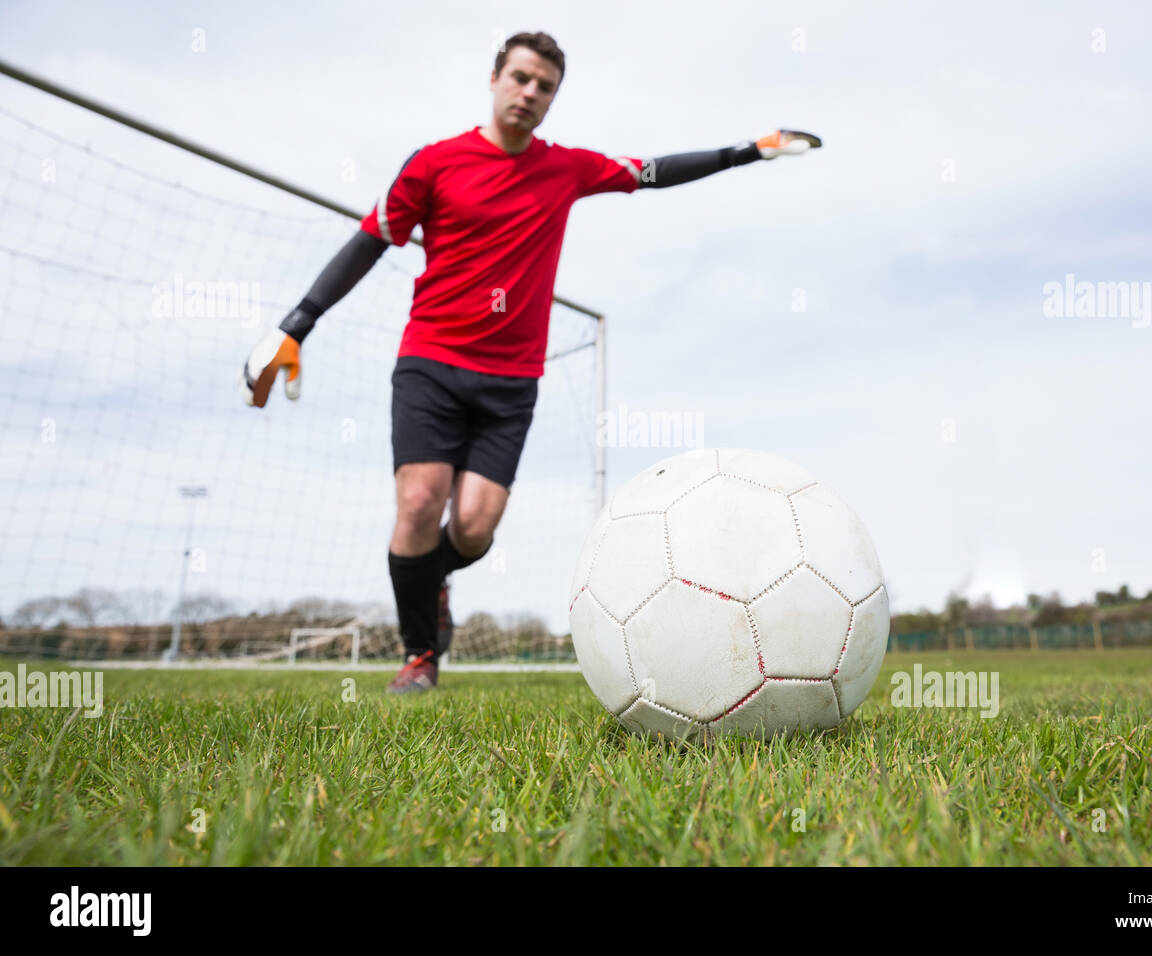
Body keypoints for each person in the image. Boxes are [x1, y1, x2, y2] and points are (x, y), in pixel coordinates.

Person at [240, 30, 820, 693]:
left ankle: (432, 580)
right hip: (431, 359)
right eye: (520, 78)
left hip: (512, 380)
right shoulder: (433, 164)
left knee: (478, 529)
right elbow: (371, 240)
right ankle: (420, 656)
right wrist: (297, 324)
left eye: (545, 86)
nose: (530, 93)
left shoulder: (565, 168)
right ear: (494, 79)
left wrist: (750, 150)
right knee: (420, 501)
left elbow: (652, 170)